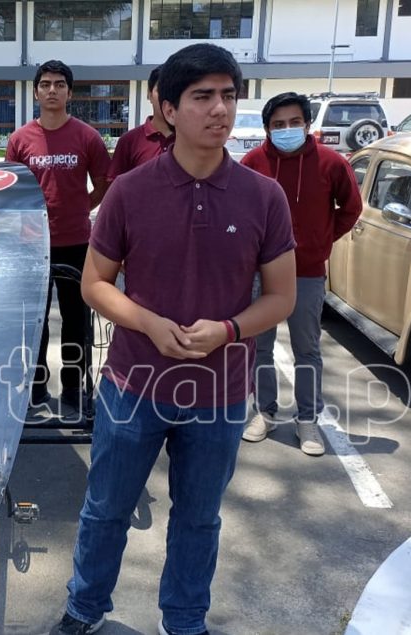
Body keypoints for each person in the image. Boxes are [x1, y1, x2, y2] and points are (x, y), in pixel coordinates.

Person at [54, 44, 297, 635]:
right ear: (166, 108)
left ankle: (185, 620)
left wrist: (230, 329)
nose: (219, 109)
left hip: (219, 393)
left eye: (229, 95)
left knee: (198, 518)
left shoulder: (263, 196)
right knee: (105, 510)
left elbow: (282, 297)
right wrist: (146, 322)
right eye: (202, 96)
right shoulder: (129, 192)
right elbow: (94, 284)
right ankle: (84, 609)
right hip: (133, 385)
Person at [240, 92, 362, 456]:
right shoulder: (253, 162)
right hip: (260, 274)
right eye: (278, 125)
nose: (287, 129)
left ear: (307, 125)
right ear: (267, 129)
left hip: (306, 273)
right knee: (259, 347)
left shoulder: (330, 163)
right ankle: (264, 412)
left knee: (306, 350)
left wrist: (322, 242)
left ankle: (307, 419)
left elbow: (351, 208)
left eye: (294, 122)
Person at [5, 59, 111, 411]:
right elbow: (10, 191)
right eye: (46, 84)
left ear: (70, 92)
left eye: (60, 84)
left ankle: (72, 386)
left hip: (77, 244)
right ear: (36, 91)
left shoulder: (87, 136)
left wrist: (82, 206)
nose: (52, 90)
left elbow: (105, 185)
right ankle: (36, 387)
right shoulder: (20, 140)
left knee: (76, 321)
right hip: (30, 245)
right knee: (33, 321)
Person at [107, 66, 174, 181]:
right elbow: (114, 189)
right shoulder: (129, 141)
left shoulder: (191, 141)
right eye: (161, 90)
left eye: (173, 90)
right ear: (149, 94)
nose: (167, 97)